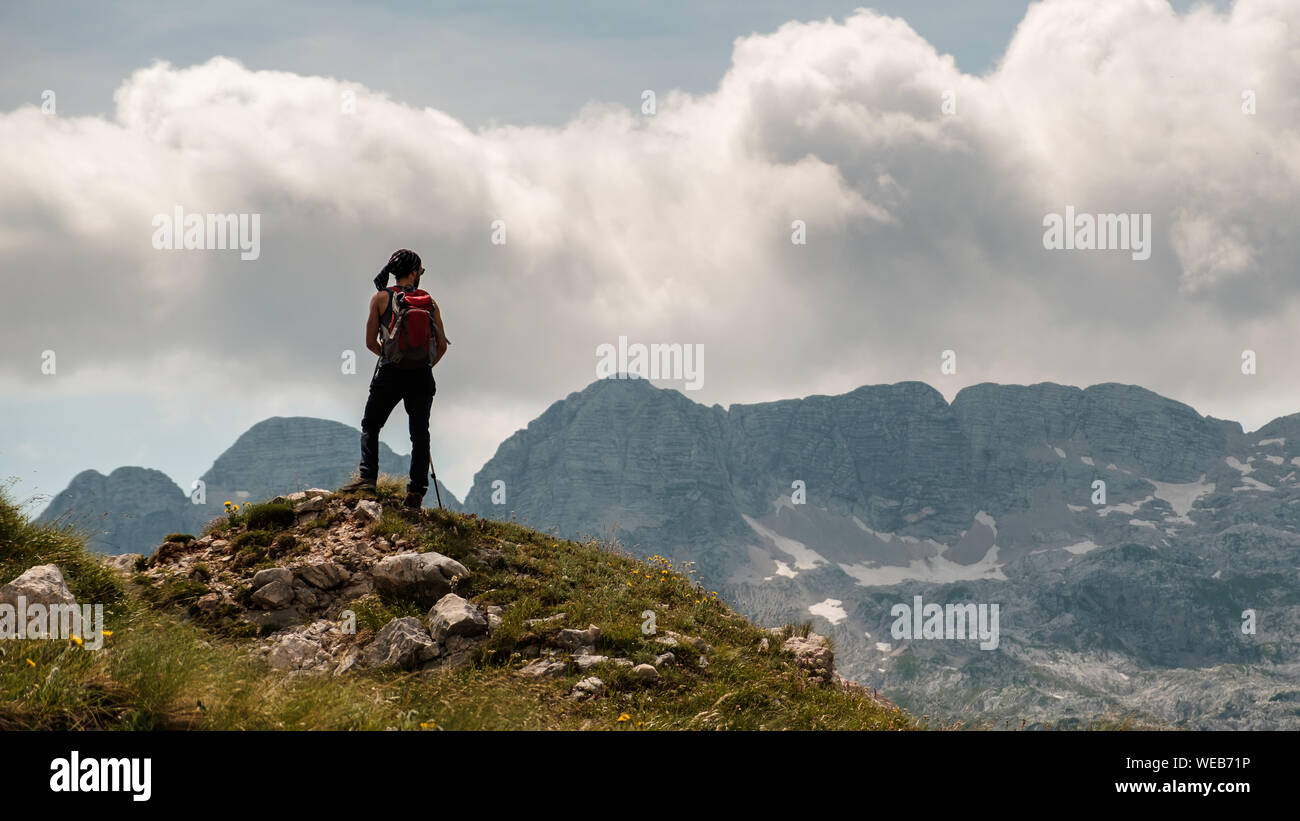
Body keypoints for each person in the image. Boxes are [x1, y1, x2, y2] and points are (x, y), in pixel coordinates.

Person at [339, 249, 449, 508]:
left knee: (371, 424)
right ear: (413, 272)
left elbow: (369, 343)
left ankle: (367, 479)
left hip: (391, 372)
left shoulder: (380, 298)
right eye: (420, 271)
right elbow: (442, 345)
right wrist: (423, 364)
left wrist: (390, 356)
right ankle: (416, 491)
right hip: (422, 375)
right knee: (420, 433)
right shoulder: (430, 302)